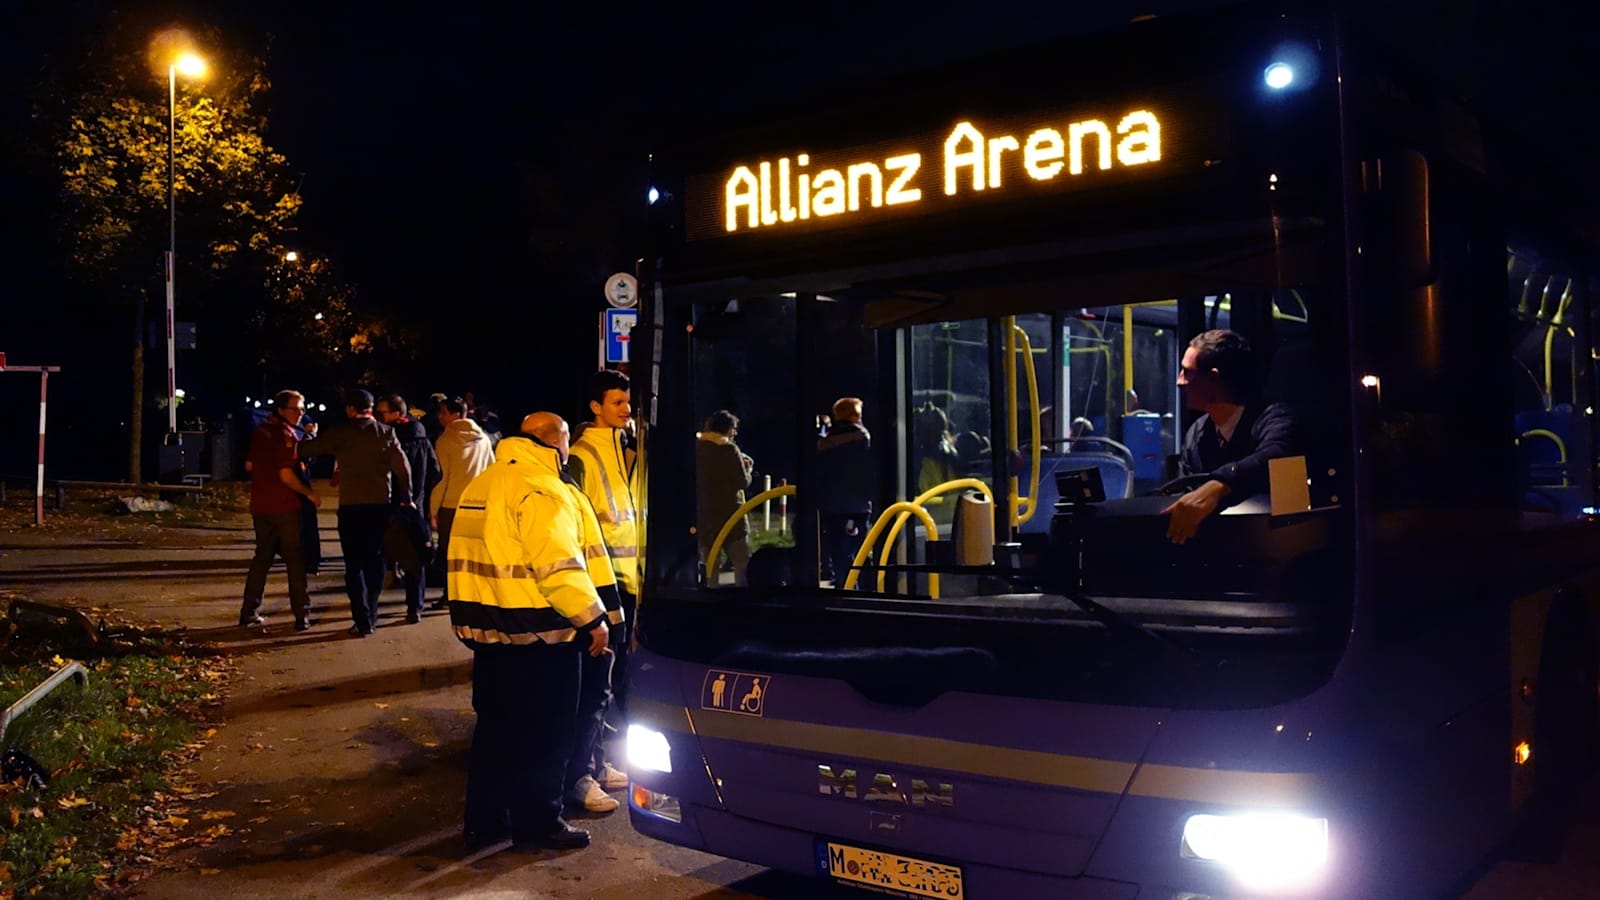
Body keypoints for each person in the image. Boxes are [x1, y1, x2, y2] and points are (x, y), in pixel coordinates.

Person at [449, 410, 612, 852]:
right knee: (546, 735)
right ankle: (539, 824)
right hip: (542, 635)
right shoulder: (543, 489)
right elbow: (558, 566)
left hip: (488, 633)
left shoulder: (483, 482)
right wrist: (592, 619)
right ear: (554, 442)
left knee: (496, 730)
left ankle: (485, 821)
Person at [521, 414, 628, 815]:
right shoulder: (558, 480)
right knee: (585, 697)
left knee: (597, 694)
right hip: (581, 605)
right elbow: (561, 561)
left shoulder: (563, 476)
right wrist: (589, 617)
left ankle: (593, 767)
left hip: (606, 591)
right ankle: (579, 778)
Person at [568, 369, 638, 792]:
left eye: (628, 403)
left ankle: (598, 761)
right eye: (617, 403)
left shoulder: (626, 448)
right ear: (596, 407)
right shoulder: (583, 455)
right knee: (595, 685)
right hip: (602, 584)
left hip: (630, 582)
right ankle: (582, 774)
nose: (626, 410)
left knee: (614, 682)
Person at [1164, 329, 1298, 545]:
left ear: (1214, 379)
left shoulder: (1275, 419)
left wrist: (1221, 482)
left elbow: (1277, 453)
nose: (1180, 381)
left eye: (1187, 372)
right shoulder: (1197, 432)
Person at [298, 388, 413, 635]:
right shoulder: (386, 432)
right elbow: (402, 468)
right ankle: (371, 612)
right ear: (370, 408)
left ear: (351, 409)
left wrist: (309, 437)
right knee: (375, 561)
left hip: (351, 507)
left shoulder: (341, 433)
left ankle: (361, 618)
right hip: (379, 507)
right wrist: (407, 498)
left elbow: (306, 451)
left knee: (354, 564)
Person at [239, 390, 320, 631]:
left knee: (261, 560)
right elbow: (286, 474)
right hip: (285, 507)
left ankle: (249, 611)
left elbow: (250, 464)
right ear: (281, 410)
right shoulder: (286, 436)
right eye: (295, 409)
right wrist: (308, 494)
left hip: (260, 506)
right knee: (295, 561)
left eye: (302, 409)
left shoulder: (261, 431)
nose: (300, 413)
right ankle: (301, 616)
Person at [378, 393, 442, 623]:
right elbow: (436, 471)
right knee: (415, 559)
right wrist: (423, 495)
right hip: (417, 508)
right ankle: (415, 608)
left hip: (392, 506)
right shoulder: (422, 438)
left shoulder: (389, 439)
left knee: (383, 555)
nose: (380, 417)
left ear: (396, 413)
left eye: (383, 412)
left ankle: (370, 611)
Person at [430, 396, 496, 611]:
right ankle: (476, 594)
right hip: (478, 504)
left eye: (443, 413)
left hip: (451, 505)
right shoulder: (484, 439)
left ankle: (451, 595)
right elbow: (491, 471)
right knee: (474, 552)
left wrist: (433, 510)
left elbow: (442, 479)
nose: (440, 417)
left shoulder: (445, 441)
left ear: (456, 415)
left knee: (450, 553)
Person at [816, 397, 875, 586]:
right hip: (857, 504)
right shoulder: (861, 437)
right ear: (855, 415)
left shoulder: (827, 439)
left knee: (839, 552)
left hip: (832, 505)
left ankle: (845, 587)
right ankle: (863, 587)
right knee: (860, 550)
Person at [695, 410, 753, 587]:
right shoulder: (729, 449)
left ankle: (710, 597)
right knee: (741, 561)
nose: (734, 433)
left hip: (705, 512)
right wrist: (748, 470)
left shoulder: (698, 446)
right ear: (726, 429)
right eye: (733, 429)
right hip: (731, 513)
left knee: (710, 562)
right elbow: (742, 482)